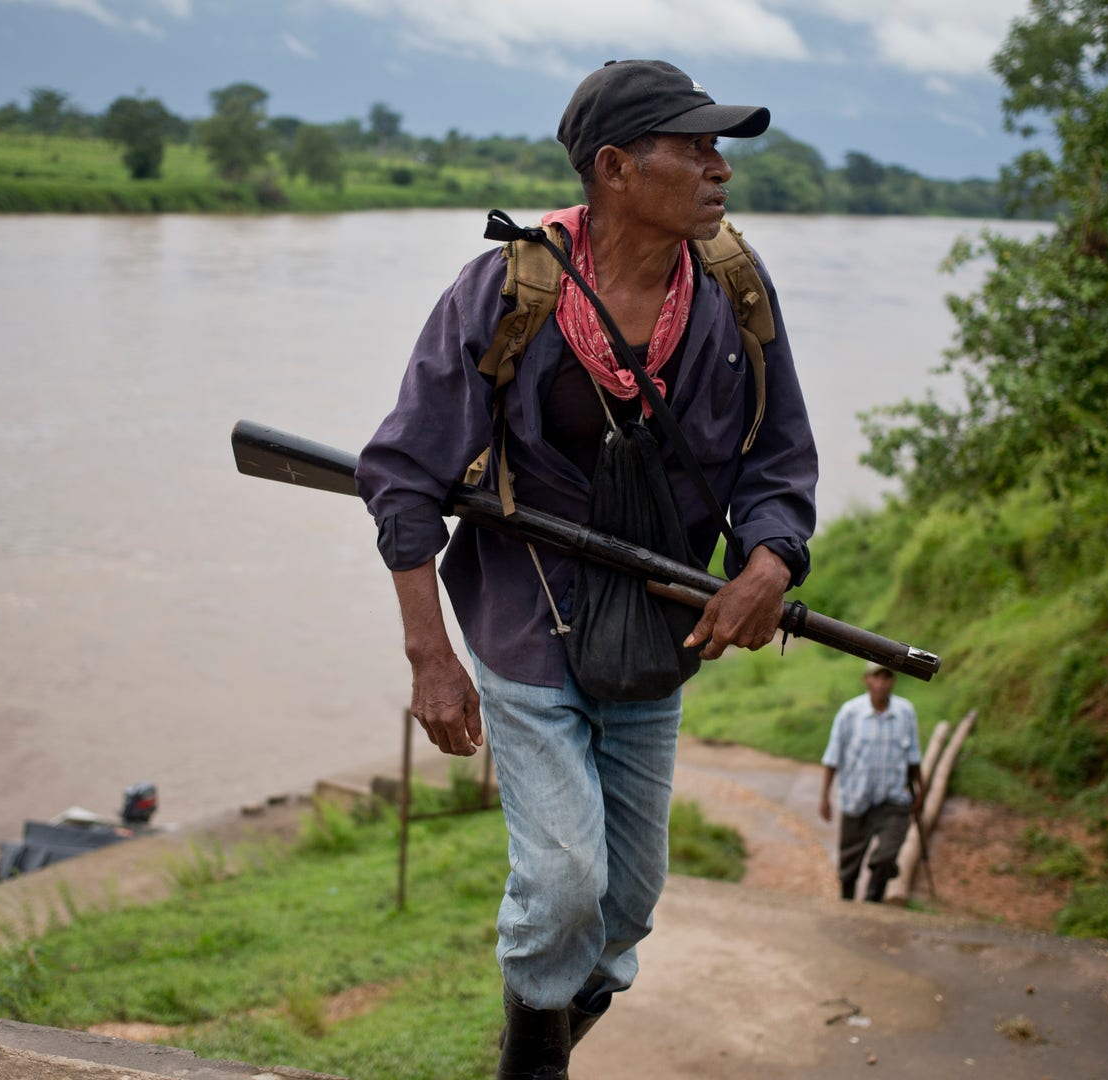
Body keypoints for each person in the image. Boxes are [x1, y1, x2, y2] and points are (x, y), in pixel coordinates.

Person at [355, 59, 816, 1079]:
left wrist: (772, 561)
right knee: (563, 883)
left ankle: (535, 1036)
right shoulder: (506, 288)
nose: (718, 169)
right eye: (692, 148)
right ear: (615, 167)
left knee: (624, 910)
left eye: (719, 148)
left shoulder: (734, 287)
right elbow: (402, 476)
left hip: (659, 630)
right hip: (527, 618)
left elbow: (778, 457)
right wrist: (431, 658)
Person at [819, 661, 923, 902]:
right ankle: (846, 901)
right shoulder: (850, 713)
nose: (881, 683)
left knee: (886, 857)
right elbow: (832, 757)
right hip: (858, 797)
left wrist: (921, 791)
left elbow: (914, 756)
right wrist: (825, 797)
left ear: (893, 681)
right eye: (876, 677)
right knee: (849, 861)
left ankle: (873, 900)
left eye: (887, 678)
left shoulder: (905, 712)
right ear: (867, 680)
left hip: (893, 800)